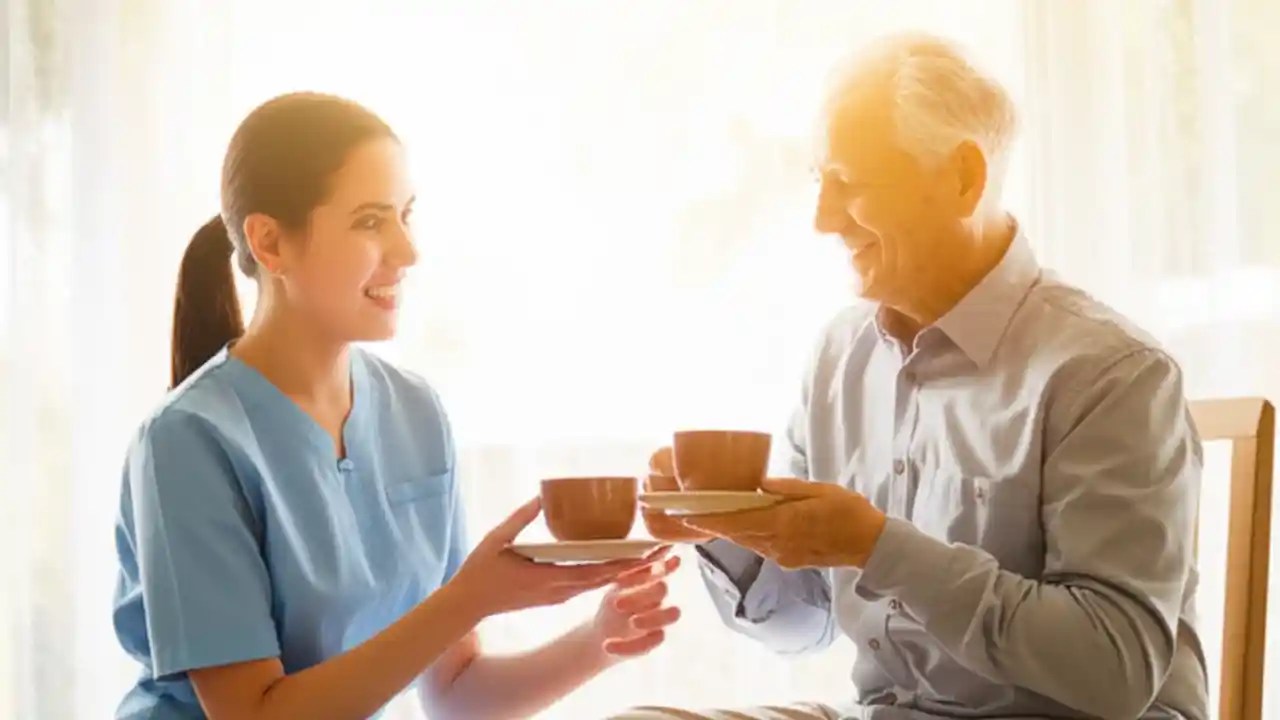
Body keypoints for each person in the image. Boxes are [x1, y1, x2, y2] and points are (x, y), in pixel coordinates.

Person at [629, 32, 1206, 720]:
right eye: (820, 182)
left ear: (962, 179)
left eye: (851, 184)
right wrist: (725, 531)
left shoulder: (1108, 375)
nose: (821, 220)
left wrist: (878, 547)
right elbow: (804, 622)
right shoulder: (842, 358)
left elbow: (1114, 670)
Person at [112, 92, 681, 720]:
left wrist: (598, 640)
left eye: (405, 216)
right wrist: (468, 599)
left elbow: (455, 694)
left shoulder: (415, 414)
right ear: (270, 243)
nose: (407, 252)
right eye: (370, 221)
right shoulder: (187, 443)